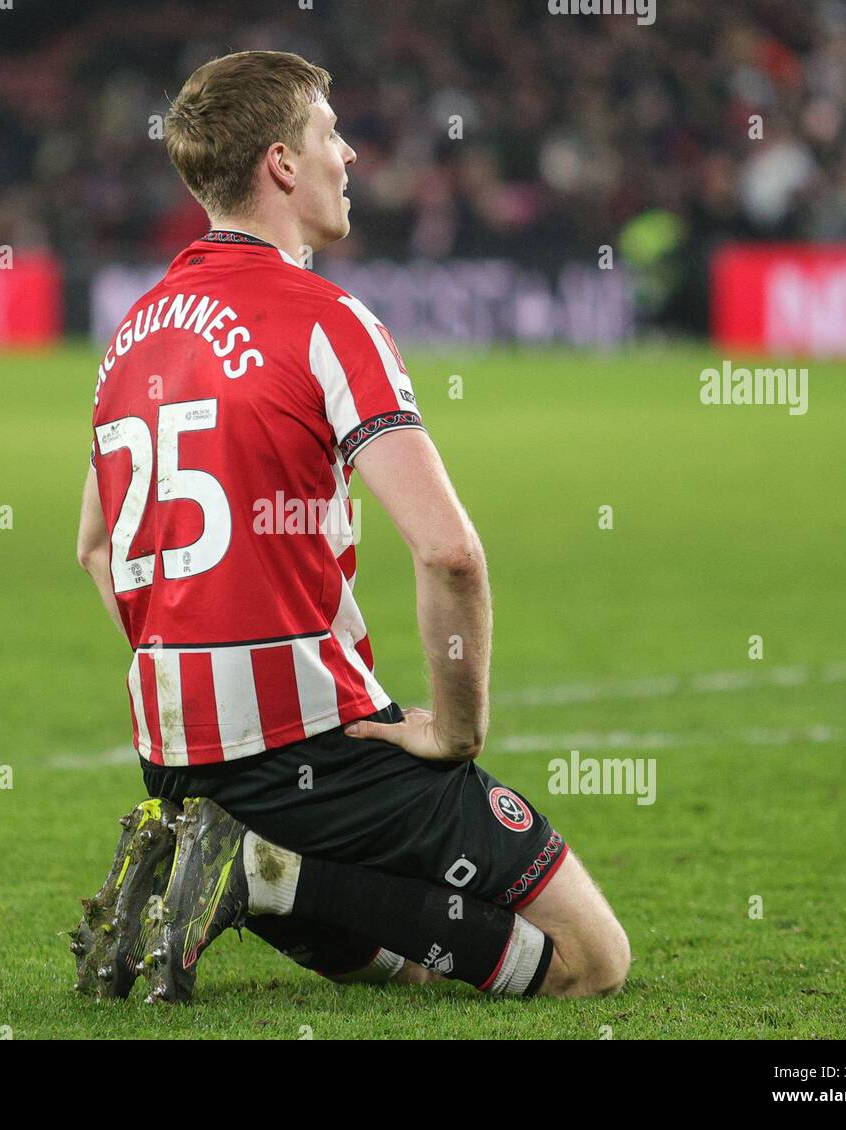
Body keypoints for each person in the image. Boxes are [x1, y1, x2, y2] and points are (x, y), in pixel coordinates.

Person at [73, 50, 629, 1004]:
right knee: (593, 961)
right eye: (333, 133)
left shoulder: (133, 331)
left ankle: (260, 875)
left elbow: (93, 548)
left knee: (395, 964)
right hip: (310, 749)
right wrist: (455, 733)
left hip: (172, 755)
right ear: (284, 162)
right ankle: (257, 870)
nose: (353, 154)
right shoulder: (329, 320)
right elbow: (448, 551)